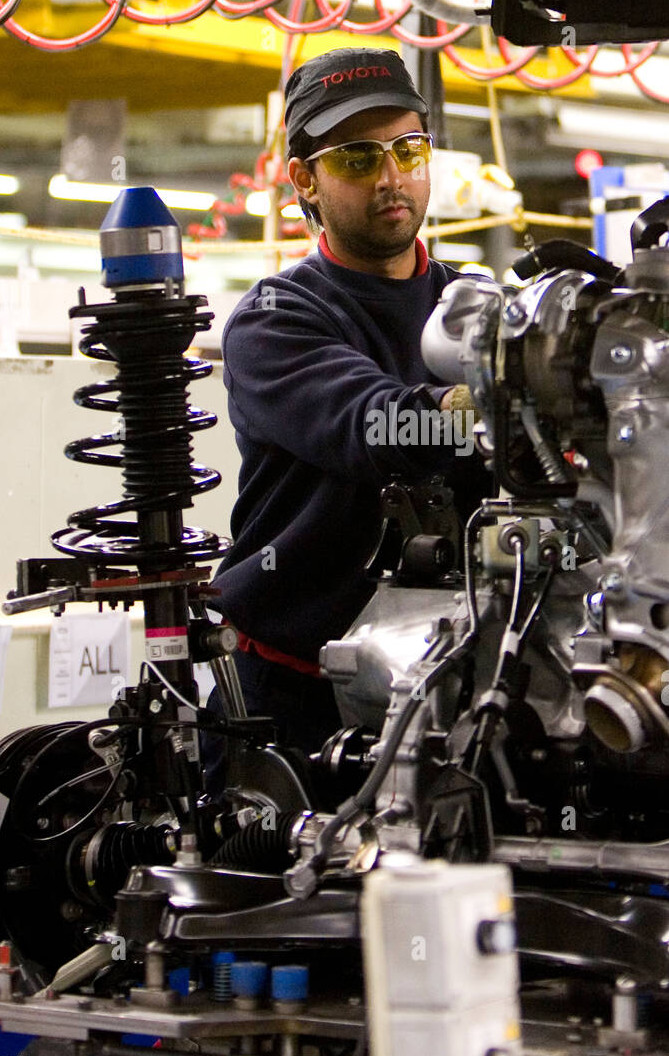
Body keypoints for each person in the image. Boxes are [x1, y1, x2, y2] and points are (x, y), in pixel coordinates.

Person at [206, 46, 486, 764]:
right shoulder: (275, 319)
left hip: (454, 682)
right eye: (358, 159)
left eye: (408, 149)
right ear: (305, 178)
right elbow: (378, 427)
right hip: (294, 701)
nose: (392, 177)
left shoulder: (477, 308)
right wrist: (503, 396)